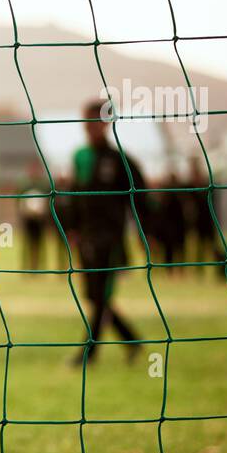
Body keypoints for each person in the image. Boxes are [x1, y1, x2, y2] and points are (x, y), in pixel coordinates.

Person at [68, 97, 146, 365]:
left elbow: (140, 198)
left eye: (97, 121)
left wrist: (144, 233)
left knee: (102, 296)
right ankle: (131, 340)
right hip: (87, 238)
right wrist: (72, 229)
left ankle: (88, 354)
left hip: (111, 240)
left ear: (107, 123)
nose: (91, 127)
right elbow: (74, 196)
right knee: (93, 296)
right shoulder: (80, 157)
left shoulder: (120, 161)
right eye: (87, 121)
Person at [15, 160, 50, 272]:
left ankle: (40, 267)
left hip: (40, 219)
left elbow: (49, 200)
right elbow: (18, 199)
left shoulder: (44, 184)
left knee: (41, 243)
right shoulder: (24, 184)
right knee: (27, 243)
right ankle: (26, 267)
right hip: (27, 218)